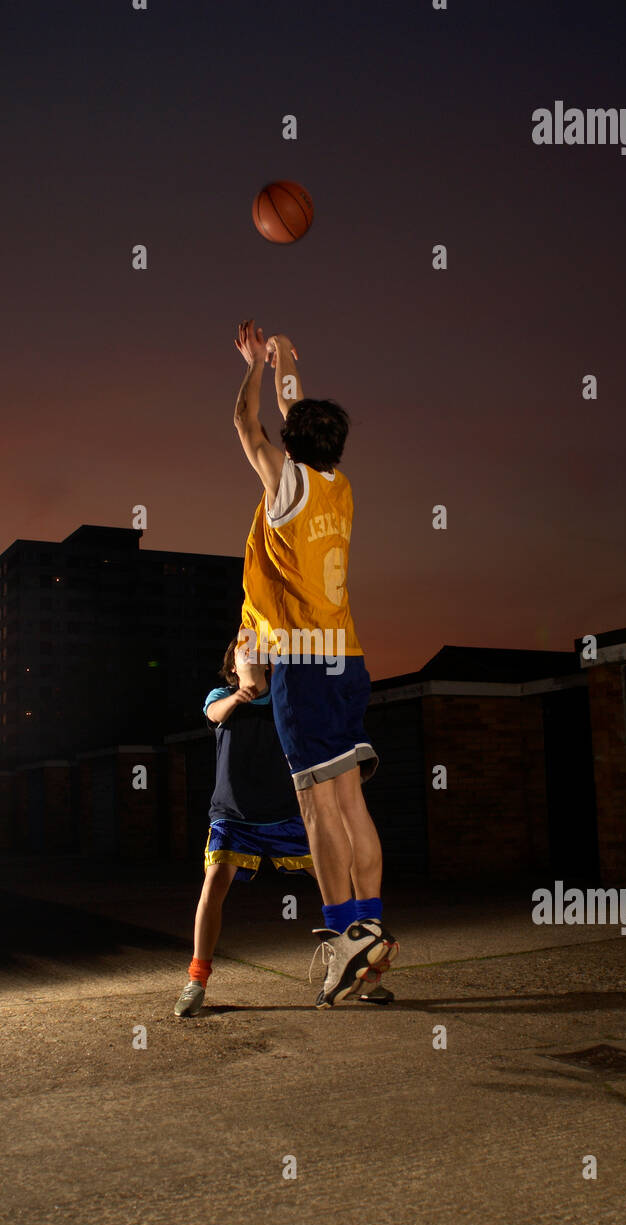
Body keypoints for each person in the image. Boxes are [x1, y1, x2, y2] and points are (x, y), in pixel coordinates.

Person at [231, 319, 397, 1008]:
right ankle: (370, 925)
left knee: (314, 803)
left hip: (302, 662)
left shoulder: (286, 483)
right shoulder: (340, 487)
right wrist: (287, 361)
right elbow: (293, 421)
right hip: (348, 656)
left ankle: (339, 933)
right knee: (350, 800)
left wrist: (251, 368)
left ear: (295, 443)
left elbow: (247, 424)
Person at [173, 640, 392, 1017]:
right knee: (213, 888)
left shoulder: (285, 696)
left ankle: (361, 971)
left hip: (287, 815)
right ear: (233, 663)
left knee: (333, 879)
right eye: (244, 648)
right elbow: (213, 714)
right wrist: (239, 697)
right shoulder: (223, 696)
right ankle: (196, 980)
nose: (253, 651)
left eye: (258, 648)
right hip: (233, 816)